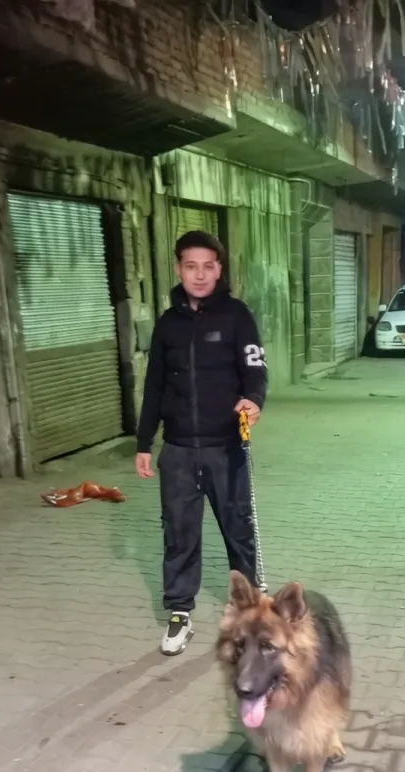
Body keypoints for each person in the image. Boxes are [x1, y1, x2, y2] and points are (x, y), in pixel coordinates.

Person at [135, 229, 267, 655]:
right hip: (176, 449)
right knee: (179, 533)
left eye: (208, 266)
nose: (200, 274)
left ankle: (251, 617)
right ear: (179, 269)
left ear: (219, 269)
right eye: (191, 266)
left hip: (225, 446)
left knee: (238, 530)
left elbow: (255, 369)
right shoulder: (169, 323)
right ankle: (179, 613)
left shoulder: (236, 315)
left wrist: (254, 401)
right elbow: (154, 385)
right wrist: (143, 443)